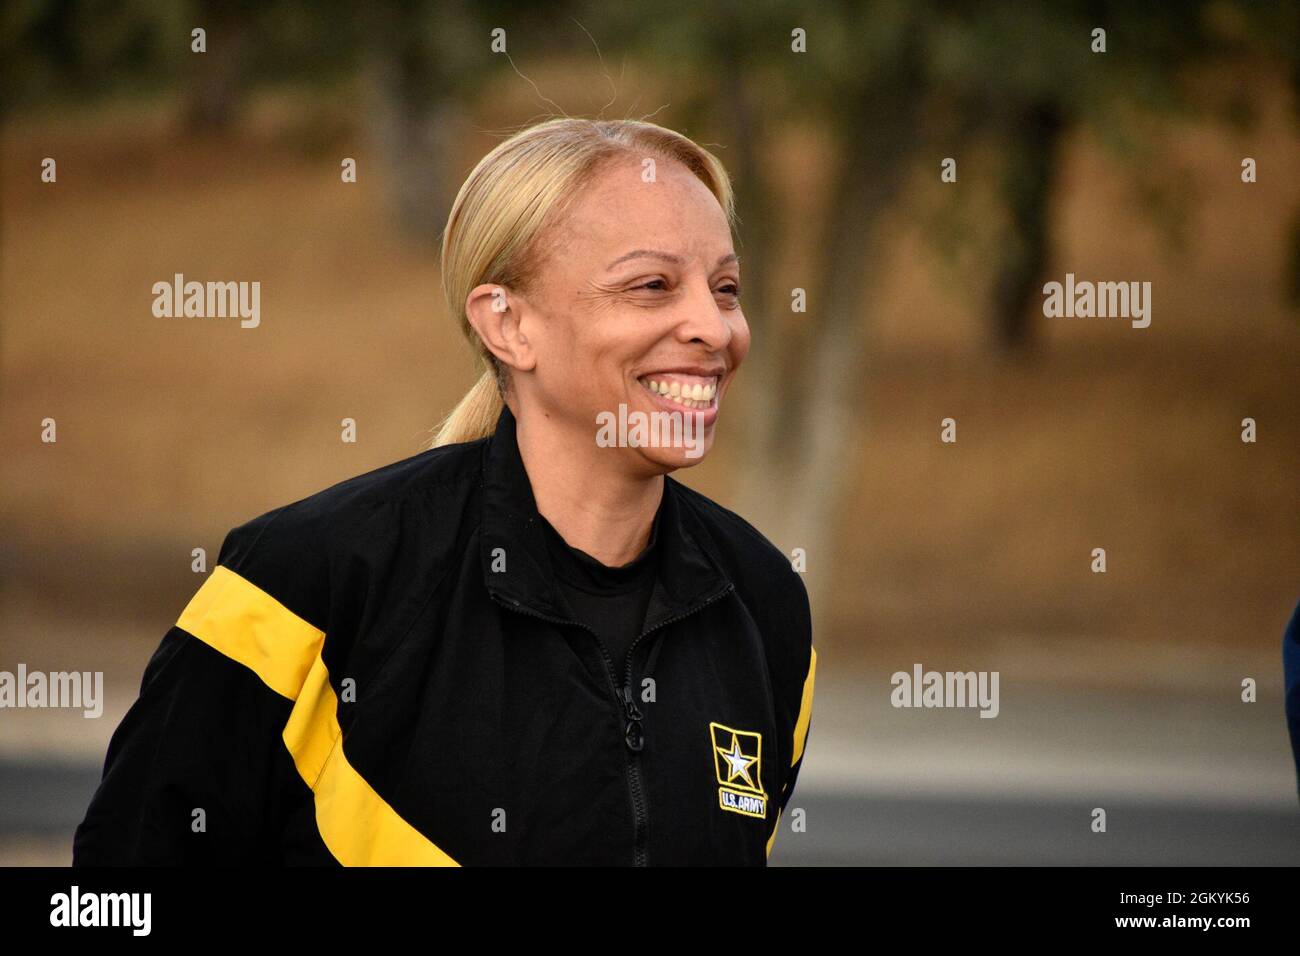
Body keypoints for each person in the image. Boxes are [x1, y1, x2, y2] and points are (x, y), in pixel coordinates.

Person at [73, 116, 816, 866]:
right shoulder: (304, 583)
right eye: (652, 285)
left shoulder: (764, 603)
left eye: (725, 288)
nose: (713, 328)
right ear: (507, 323)